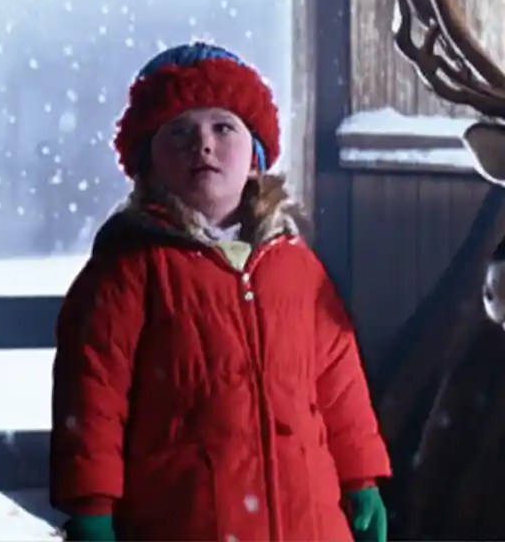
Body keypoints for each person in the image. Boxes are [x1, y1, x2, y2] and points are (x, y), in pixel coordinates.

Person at [48, 42, 392, 541]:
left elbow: (340, 383)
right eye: (180, 132)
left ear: (254, 160)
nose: (202, 144)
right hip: (186, 522)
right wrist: (91, 505)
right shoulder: (128, 269)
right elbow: (92, 396)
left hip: (309, 523)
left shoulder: (297, 265)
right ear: (147, 166)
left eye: (222, 127)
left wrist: (361, 477)